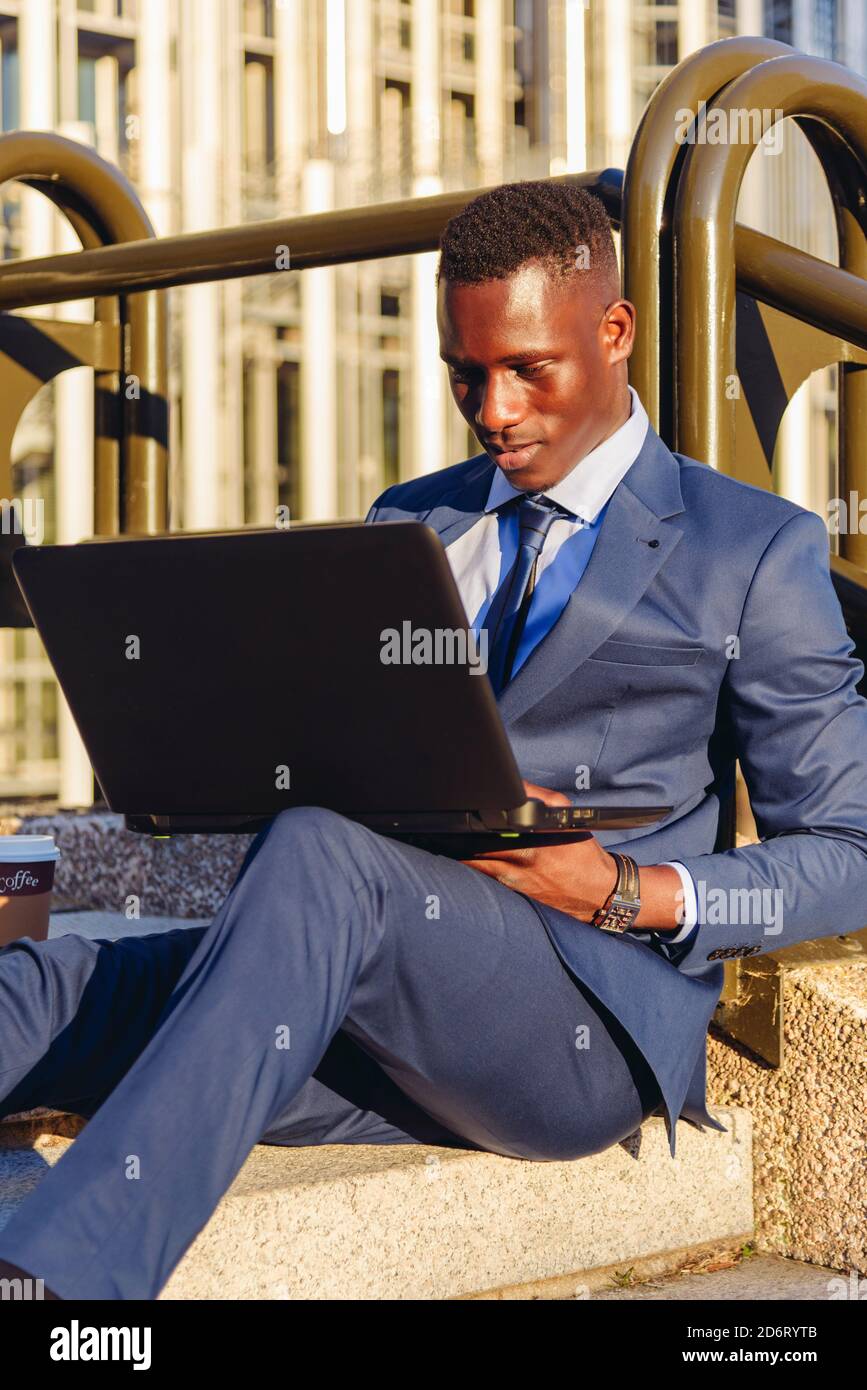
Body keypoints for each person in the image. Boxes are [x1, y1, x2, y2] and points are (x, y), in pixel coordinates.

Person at [1, 181, 865, 1301]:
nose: (494, 408)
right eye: (467, 373)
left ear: (615, 333)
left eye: (529, 369)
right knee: (52, 988)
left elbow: (851, 849)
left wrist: (624, 887)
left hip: (579, 1023)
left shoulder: (753, 550)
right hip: (358, 980)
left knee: (318, 854)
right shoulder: (412, 519)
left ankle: (61, 1285)